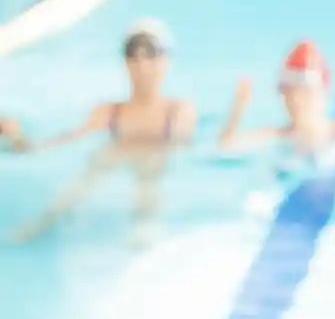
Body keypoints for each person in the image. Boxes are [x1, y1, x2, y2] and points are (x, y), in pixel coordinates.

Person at [11, 19, 197, 246]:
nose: (142, 66)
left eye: (150, 55)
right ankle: (47, 221)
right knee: (88, 175)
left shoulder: (178, 111)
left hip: (151, 160)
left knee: (151, 165)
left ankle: (145, 223)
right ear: (126, 63)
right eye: (134, 56)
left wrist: (132, 147)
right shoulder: (109, 112)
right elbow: (65, 140)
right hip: (116, 153)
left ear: (165, 61)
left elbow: (181, 148)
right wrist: (21, 141)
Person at [217, 40, 335, 168]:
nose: (296, 100)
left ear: (323, 93)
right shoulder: (280, 137)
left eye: (305, 92)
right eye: (288, 91)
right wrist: (238, 109)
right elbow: (226, 147)